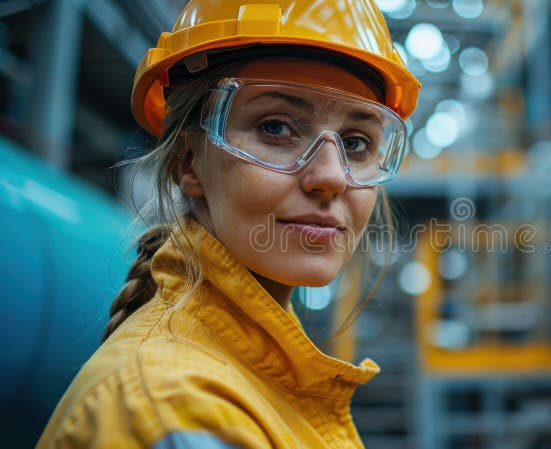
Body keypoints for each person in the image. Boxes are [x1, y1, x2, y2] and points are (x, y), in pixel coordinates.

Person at [35, 1, 420, 448]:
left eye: (356, 142)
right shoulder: (173, 407)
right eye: (275, 127)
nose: (332, 176)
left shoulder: (264, 381)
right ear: (188, 162)